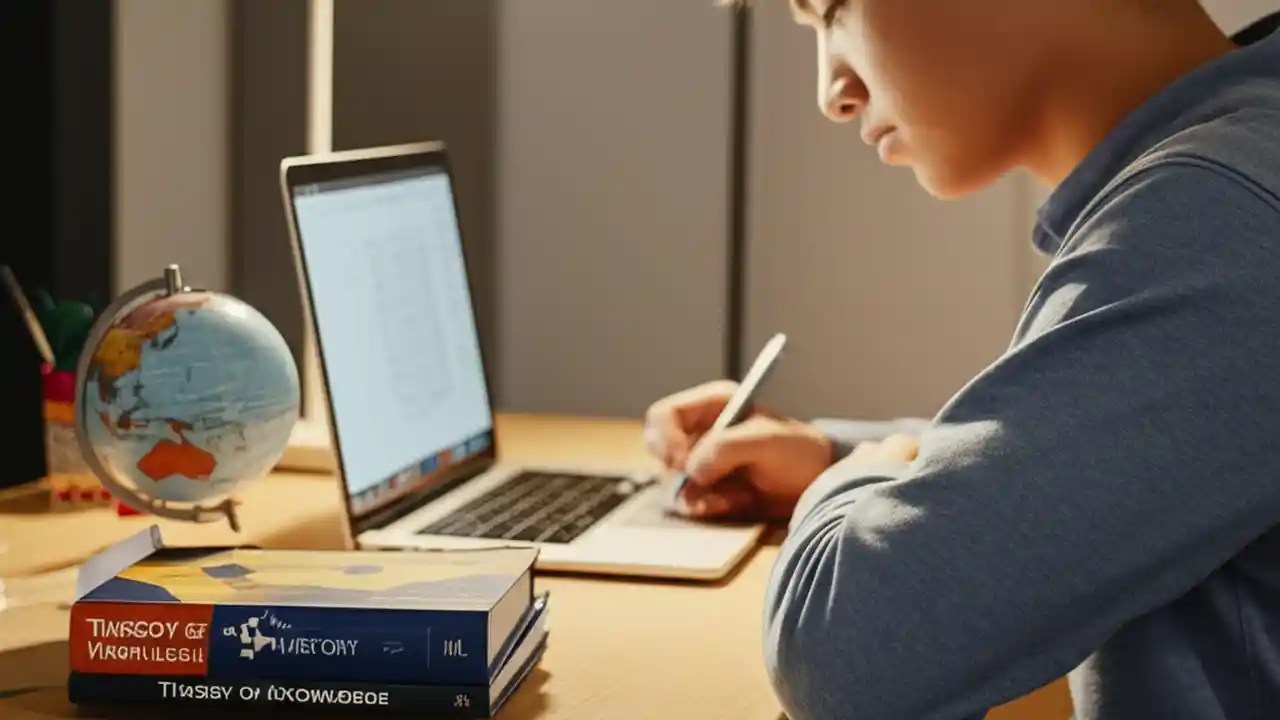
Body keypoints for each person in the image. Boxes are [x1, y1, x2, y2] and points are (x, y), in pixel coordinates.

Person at [644, 2, 1280, 718]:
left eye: (833, 11)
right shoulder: (1247, 159)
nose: (831, 92)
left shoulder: (1217, 218)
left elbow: (850, 656)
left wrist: (859, 486)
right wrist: (838, 459)